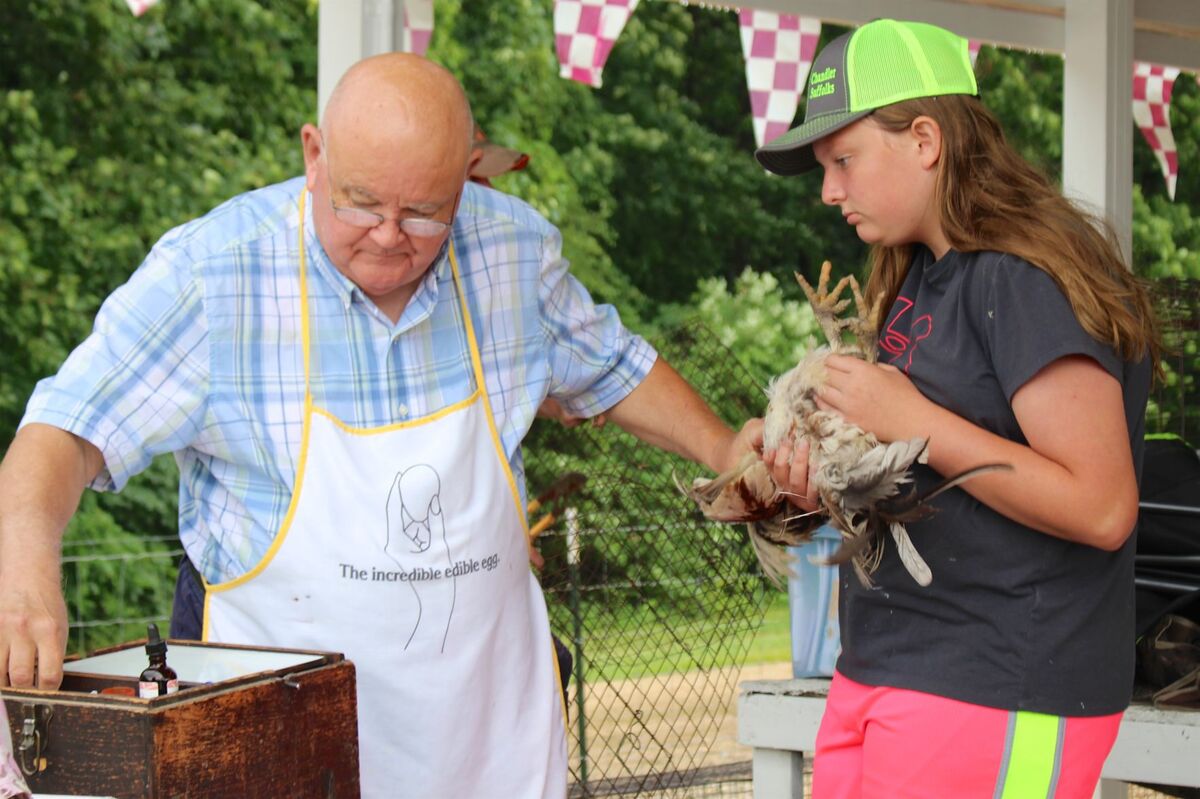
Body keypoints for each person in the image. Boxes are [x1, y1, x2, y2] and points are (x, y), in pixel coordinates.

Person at [0, 54, 757, 798]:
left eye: (426, 211)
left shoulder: (511, 251)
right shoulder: (215, 272)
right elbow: (64, 428)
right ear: (314, 154)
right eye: (360, 204)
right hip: (282, 754)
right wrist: (26, 563)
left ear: (466, 175)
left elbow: (614, 365)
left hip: (492, 743)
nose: (391, 235)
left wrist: (722, 448)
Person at [755, 19, 1160, 798]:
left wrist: (912, 419)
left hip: (999, 679)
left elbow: (1103, 505)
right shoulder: (924, 275)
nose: (829, 190)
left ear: (926, 139)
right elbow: (937, 480)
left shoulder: (1022, 276)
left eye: (844, 160)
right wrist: (818, 474)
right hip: (888, 667)